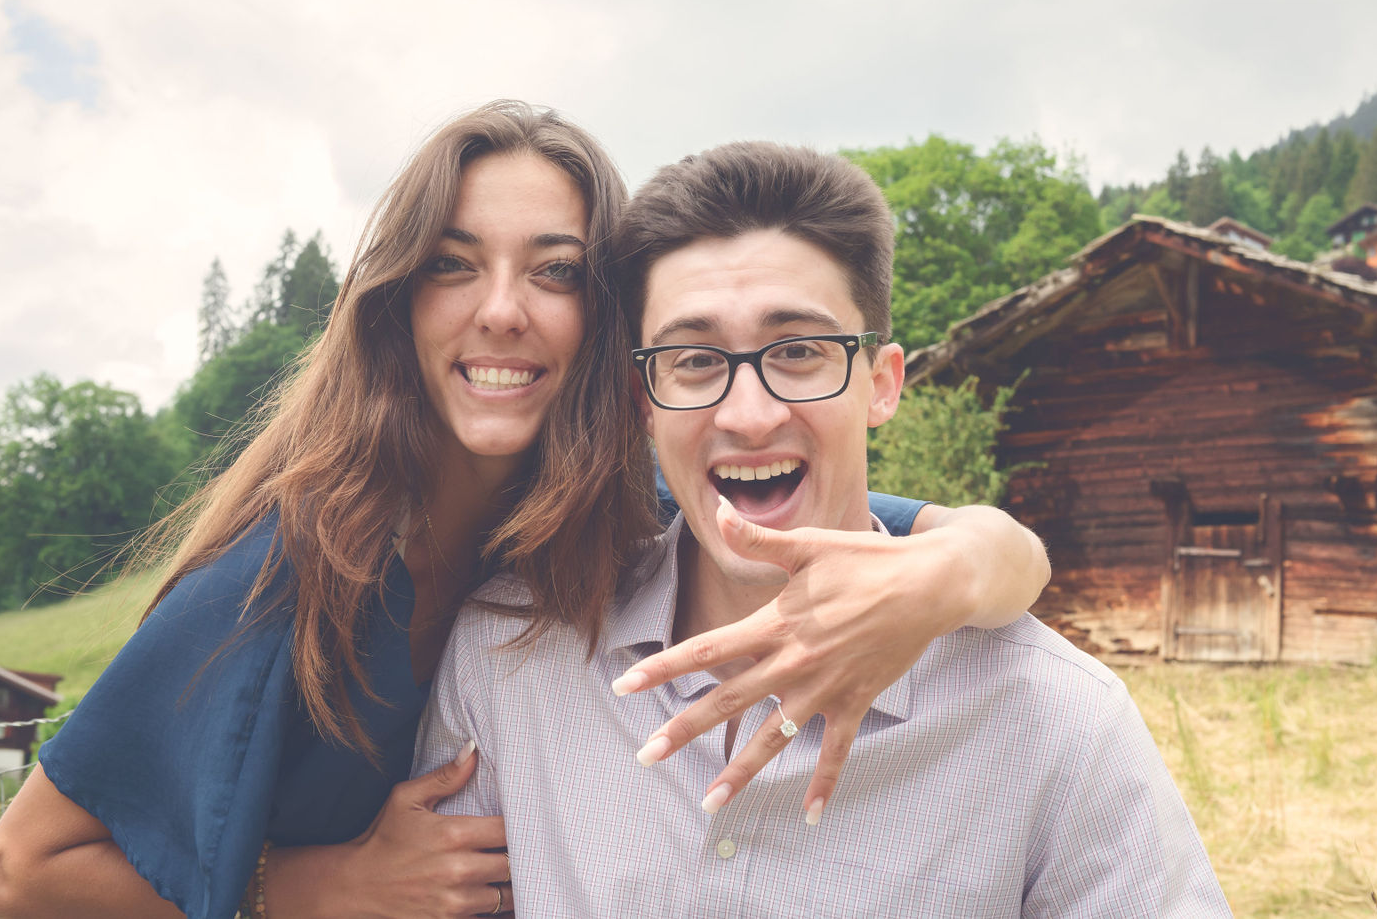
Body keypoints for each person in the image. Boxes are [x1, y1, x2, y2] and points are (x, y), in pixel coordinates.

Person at [0, 103, 1051, 919]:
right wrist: (318, 884)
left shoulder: (590, 524)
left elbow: (887, 526)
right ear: (399, 301)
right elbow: (20, 867)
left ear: (609, 321)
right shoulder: (300, 562)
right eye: (453, 266)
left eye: (555, 270)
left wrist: (966, 566)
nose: (501, 310)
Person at [415, 141, 1231, 916]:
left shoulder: (1056, 721)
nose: (749, 413)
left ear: (880, 385)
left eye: (799, 350)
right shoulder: (508, 660)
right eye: (694, 361)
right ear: (644, 405)